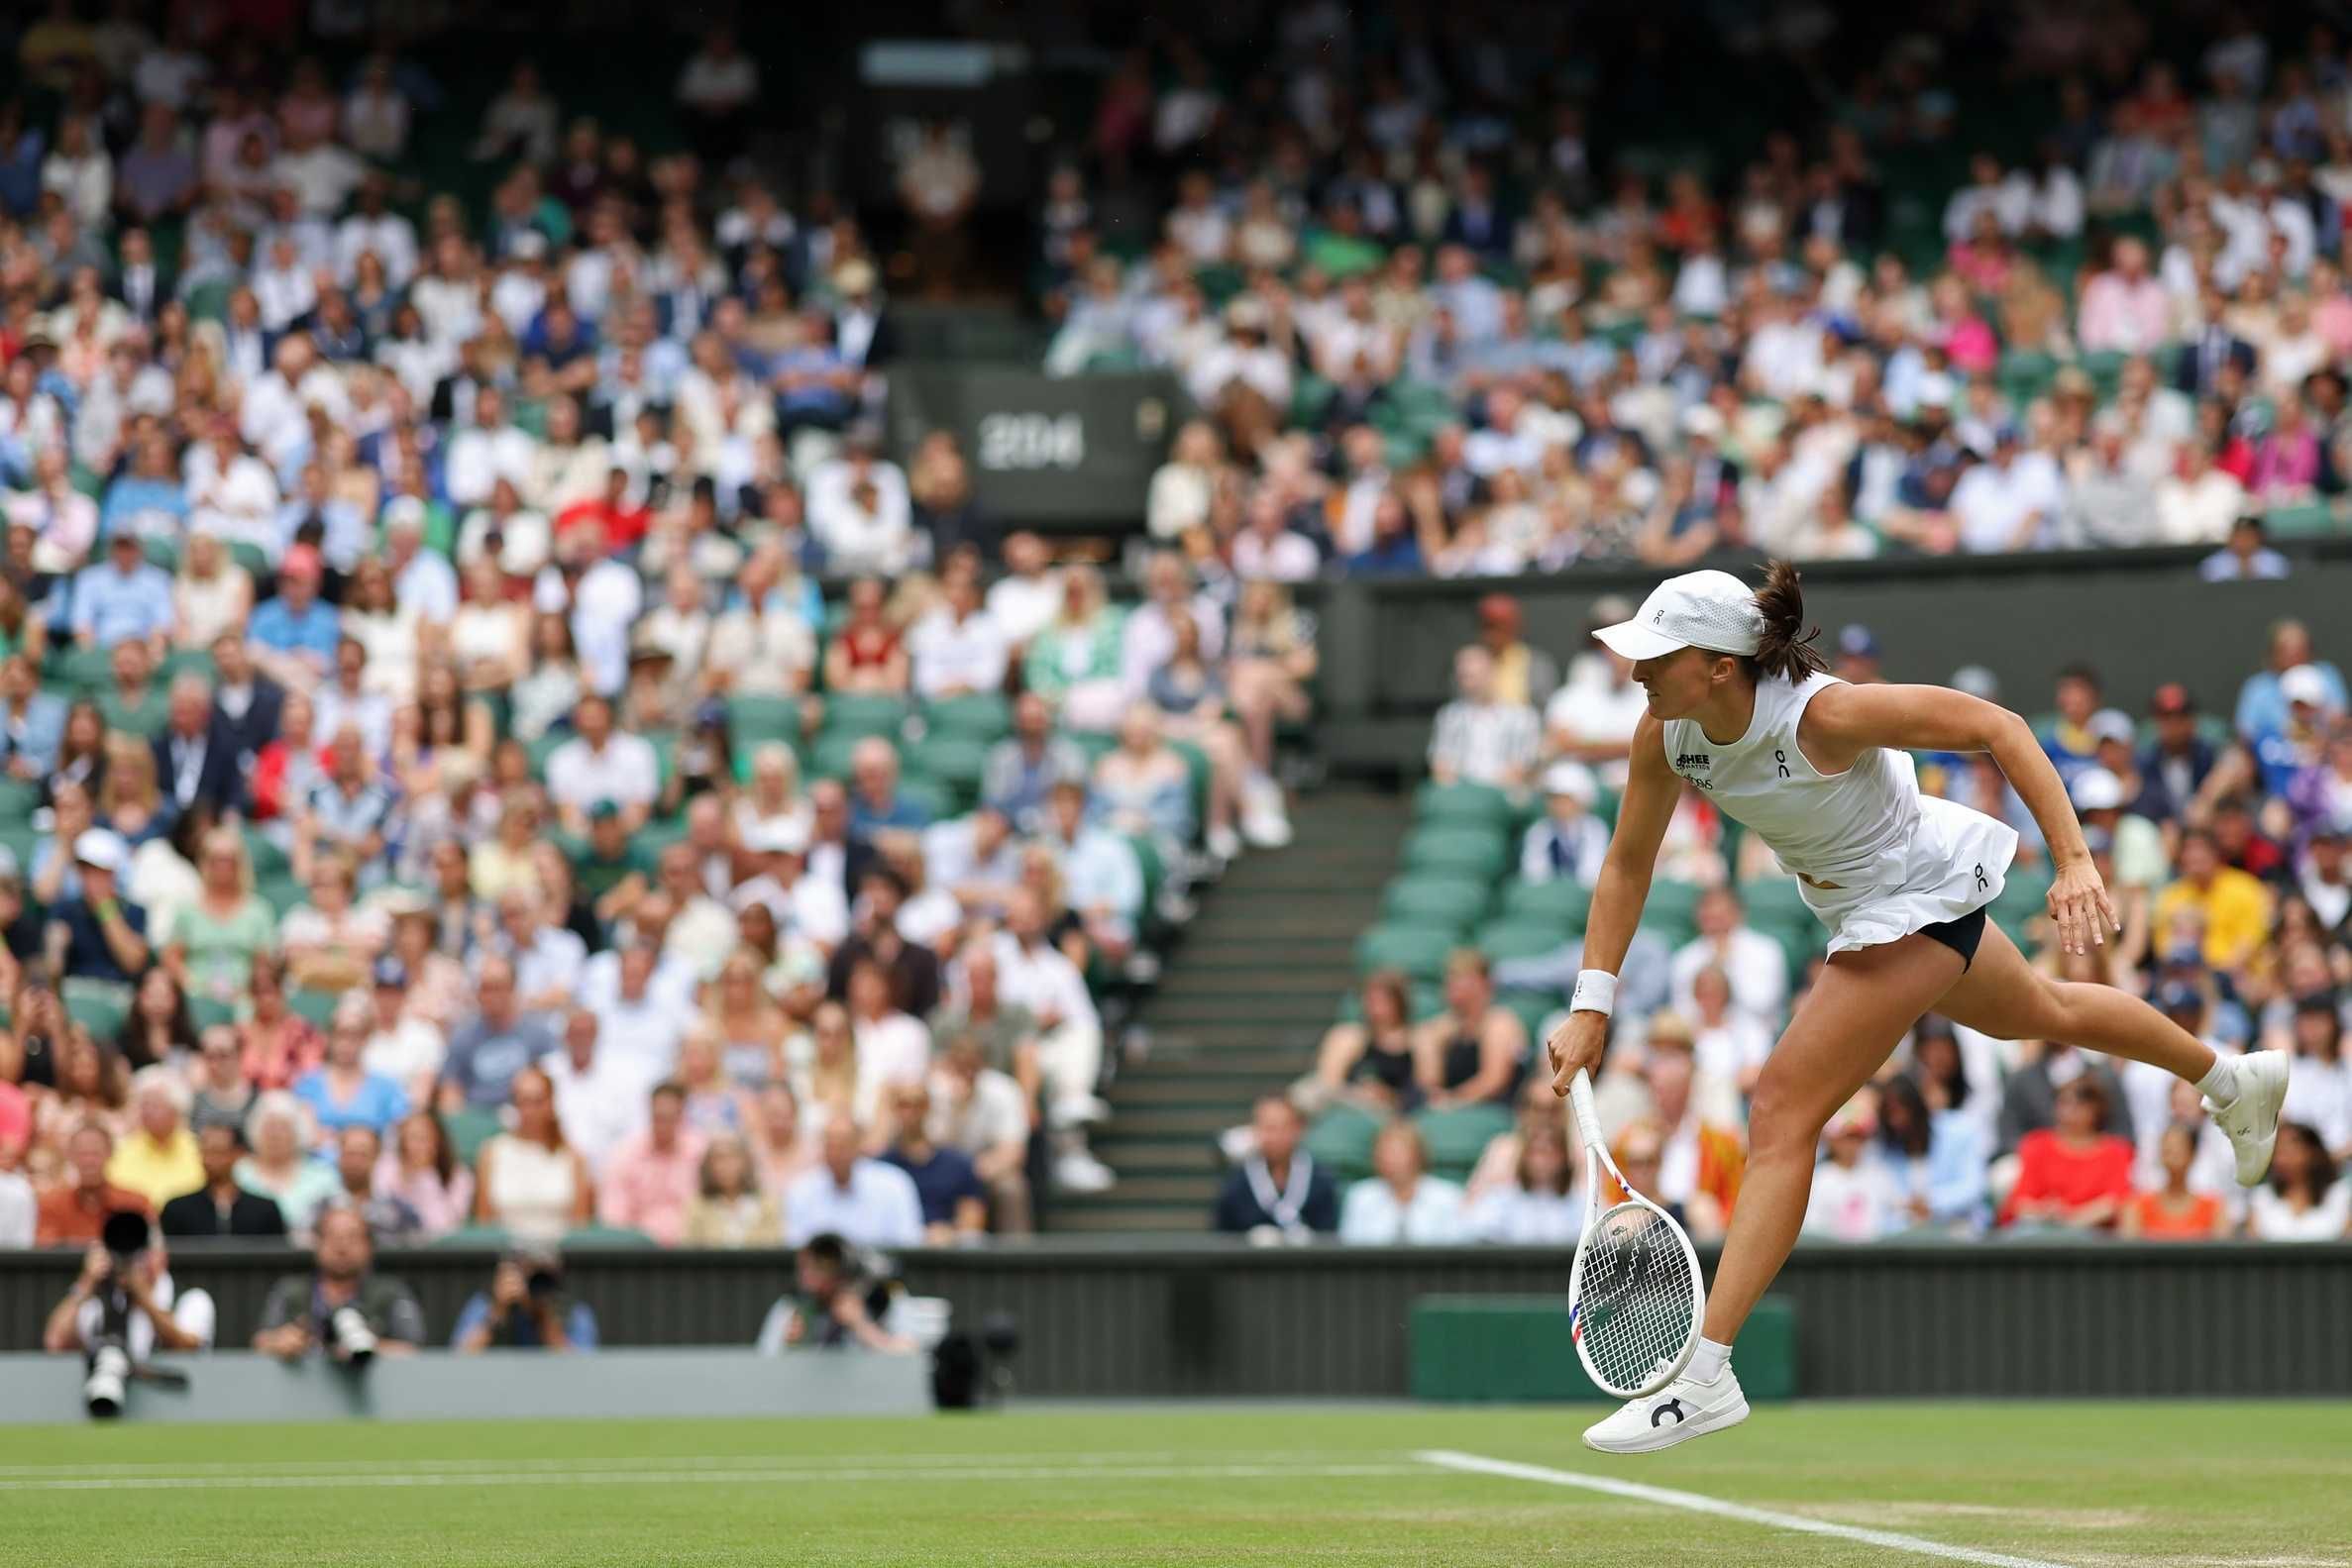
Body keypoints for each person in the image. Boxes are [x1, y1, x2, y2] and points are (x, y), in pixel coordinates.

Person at [1549, 564, 2288, 1453]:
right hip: (1863, 903)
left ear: (1718, 664)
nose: (1636, 672)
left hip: (1911, 895)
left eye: (1656, 656)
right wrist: (1594, 1001)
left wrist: (2075, 858)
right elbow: (1628, 863)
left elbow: (1996, 726)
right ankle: (2229, 1075)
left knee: (1782, 1107)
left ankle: (1705, 1375)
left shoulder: (1825, 714)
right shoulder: (1664, 734)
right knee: (2042, 1009)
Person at [252, 1204, 426, 1359]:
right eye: (332, 1237)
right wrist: (281, 1343)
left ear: (369, 1246)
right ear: (317, 1244)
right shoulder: (290, 1291)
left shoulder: (391, 1292)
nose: (341, 1248)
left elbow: (413, 1351)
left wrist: (366, 1346)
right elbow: (260, 1343)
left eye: (352, 1238)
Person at [42, 1221, 213, 1358]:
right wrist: (86, 1282)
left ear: (162, 1257)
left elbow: (188, 1349)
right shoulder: (104, 1305)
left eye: (144, 1252)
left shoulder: (192, 1300)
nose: (135, 1260)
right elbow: (56, 1342)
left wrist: (142, 1294)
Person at [753, 1231, 914, 1353]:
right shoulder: (792, 1306)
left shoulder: (887, 1298)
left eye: (827, 1266)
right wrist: (788, 1346)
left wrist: (862, 1326)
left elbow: (909, 1355)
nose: (814, 1275)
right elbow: (764, 1359)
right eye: (811, 1266)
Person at [784, 1111, 923, 1249]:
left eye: (843, 1145)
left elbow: (909, 1246)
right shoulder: (801, 1191)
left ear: (859, 1145)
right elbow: (796, 1251)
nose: (836, 1153)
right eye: (831, 1145)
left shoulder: (895, 1185)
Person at [1212, 1095, 1337, 1238]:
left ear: (1298, 1129)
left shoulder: (1320, 1179)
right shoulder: (1236, 1183)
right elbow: (1221, 1236)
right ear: (1256, 1130)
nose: (1277, 1136)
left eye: (1285, 1127)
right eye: (1270, 1128)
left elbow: (1329, 1234)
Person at [879, 1082, 987, 1242]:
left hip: (946, 1254)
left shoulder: (958, 1164)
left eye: (918, 1105)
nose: (911, 1112)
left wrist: (950, 1233)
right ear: (894, 1110)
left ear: (928, 1107)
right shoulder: (881, 1168)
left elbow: (972, 1220)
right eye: (904, 1105)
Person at [451, 1244, 599, 1352]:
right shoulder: (485, 1305)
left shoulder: (574, 1312)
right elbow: (460, 1359)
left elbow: (580, 1369)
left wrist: (544, 1319)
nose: (536, 1283)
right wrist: (497, 1312)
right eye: (529, 1273)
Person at [1338, 1120, 1465, 1244]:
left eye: (1398, 1153)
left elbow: (1456, 1249)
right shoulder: (1361, 1196)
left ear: (1418, 1154)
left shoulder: (1448, 1196)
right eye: (1384, 1152)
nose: (1390, 1159)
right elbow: (1351, 1247)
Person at [35, 1121, 153, 1246]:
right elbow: (46, 1254)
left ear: (110, 1153)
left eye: (95, 1153)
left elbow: (151, 1252)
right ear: (70, 1155)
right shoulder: (51, 1204)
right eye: (82, 1154)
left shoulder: (135, 1204)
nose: (89, 1161)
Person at [2122, 1121, 2231, 1239]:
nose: (2172, 1155)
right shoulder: (2138, 1206)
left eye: (2178, 1149)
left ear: (2192, 1153)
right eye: (2167, 1149)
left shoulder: (2214, 1207)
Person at [2246, 1122, 2348, 1240]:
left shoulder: (2339, 1195)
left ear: (2312, 1153)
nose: (2281, 1160)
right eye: (2277, 1152)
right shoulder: (2261, 1197)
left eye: (2289, 1151)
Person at [682, 1132, 784, 1247]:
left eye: (733, 1157)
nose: (725, 1165)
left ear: (746, 1161)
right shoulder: (697, 1207)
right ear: (708, 1165)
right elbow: (689, 1254)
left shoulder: (767, 1204)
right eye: (719, 1158)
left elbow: (776, 1249)